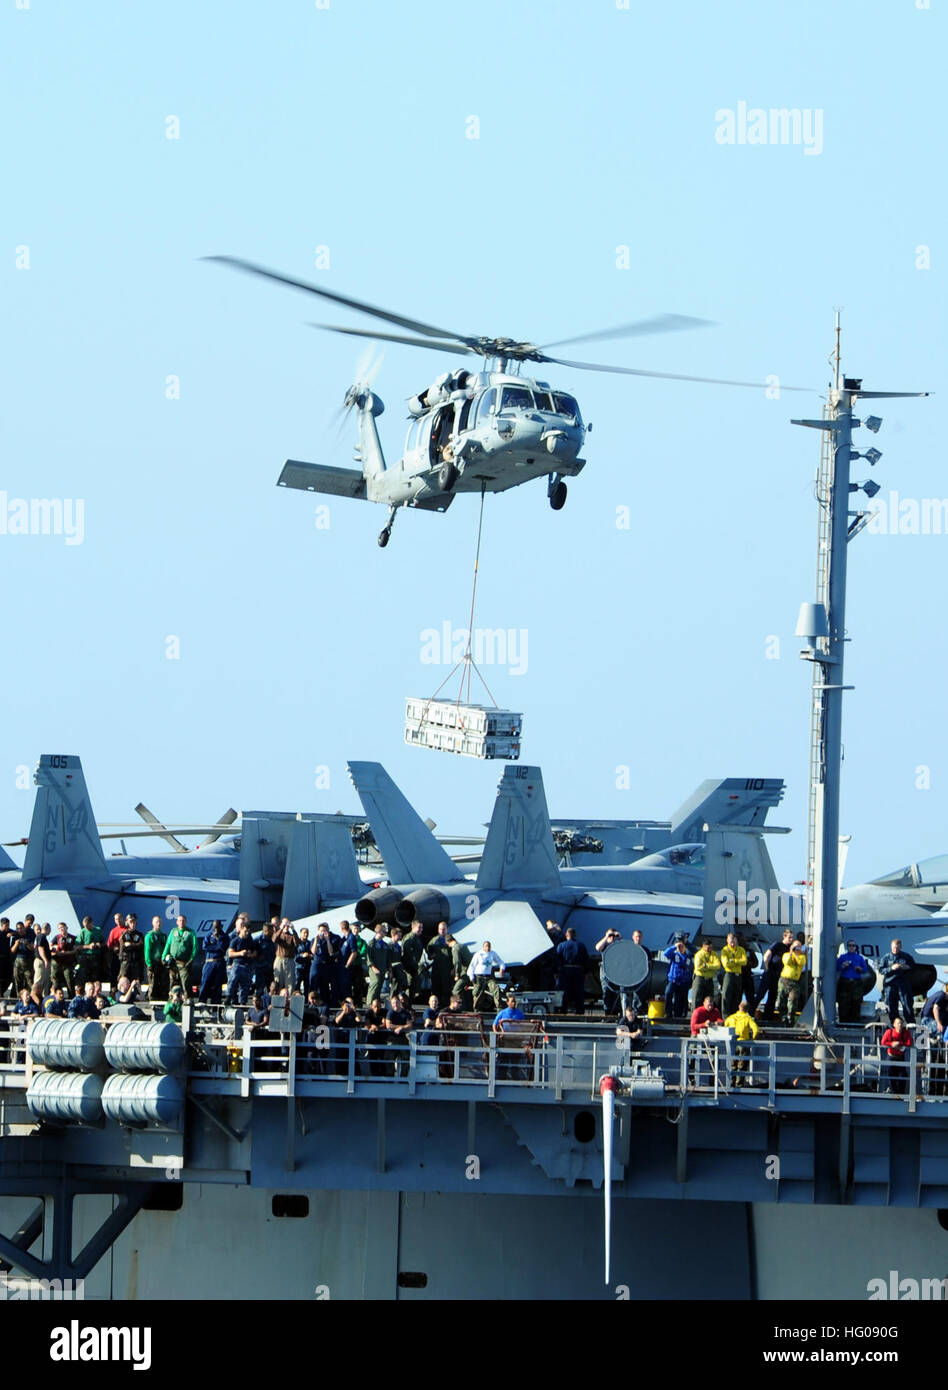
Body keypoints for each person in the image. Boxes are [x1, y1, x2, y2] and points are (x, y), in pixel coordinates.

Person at [756, 929, 793, 1021]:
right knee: (761, 994)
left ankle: (767, 1016)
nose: (791, 939)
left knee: (772, 996)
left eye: (792, 938)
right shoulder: (777, 944)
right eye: (789, 937)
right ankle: (751, 1012)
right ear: (784, 936)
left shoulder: (789, 949)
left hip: (778, 975)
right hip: (770, 971)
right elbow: (767, 954)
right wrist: (766, 967)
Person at [879, 939, 916, 1024]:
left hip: (903, 985)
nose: (896, 949)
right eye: (894, 947)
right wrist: (891, 968)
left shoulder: (906, 956)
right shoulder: (886, 957)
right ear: (891, 947)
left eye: (898, 947)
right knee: (892, 1008)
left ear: (901, 947)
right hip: (890, 985)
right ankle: (894, 1027)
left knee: (907, 1006)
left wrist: (906, 967)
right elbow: (881, 970)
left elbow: (913, 966)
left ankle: (911, 1026)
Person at [724, 999, 760, 1085]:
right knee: (741, 1066)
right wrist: (752, 1040)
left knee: (732, 1065)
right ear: (747, 1009)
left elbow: (724, 1028)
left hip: (732, 1044)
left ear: (739, 1007)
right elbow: (756, 1030)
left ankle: (730, 1084)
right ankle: (739, 1084)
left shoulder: (731, 1018)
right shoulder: (748, 1018)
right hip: (743, 1044)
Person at [836, 940, 872, 1023]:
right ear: (847, 947)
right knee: (844, 1003)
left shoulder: (859, 958)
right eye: (849, 945)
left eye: (853, 945)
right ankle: (843, 1022)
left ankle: (855, 1022)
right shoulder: (842, 957)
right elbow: (837, 968)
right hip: (845, 981)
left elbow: (865, 970)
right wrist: (843, 966)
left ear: (855, 947)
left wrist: (859, 969)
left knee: (856, 1002)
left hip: (856, 982)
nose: (851, 947)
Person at [556, 927, 589, 1014]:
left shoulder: (561, 945)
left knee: (564, 991)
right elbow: (586, 960)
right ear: (575, 935)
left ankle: (563, 1011)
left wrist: (557, 971)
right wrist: (586, 972)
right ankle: (580, 1011)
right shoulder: (581, 945)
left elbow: (557, 959)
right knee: (579, 991)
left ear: (567, 935)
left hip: (565, 971)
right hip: (579, 971)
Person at [162, 916, 197, 996]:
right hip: (173, 961)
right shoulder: (173, 931)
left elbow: (195, 947)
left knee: (185, 982)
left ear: (186, 922)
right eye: (180, 920)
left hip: (184, 962)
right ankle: (171, 1000)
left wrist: (191, 959)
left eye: (183, 921)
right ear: (177, 922)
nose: (181, 922)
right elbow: (168, 944)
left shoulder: (191, 933)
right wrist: (163, 957)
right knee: (172, 981)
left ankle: (188, 999)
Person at [775, 940, 807, 1027]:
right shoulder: (786, 955)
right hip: (784, 980)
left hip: (794, 982)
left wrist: (796, 954)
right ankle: (783, 1017)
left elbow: (801, 963)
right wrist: (791, 952)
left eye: (799, 947)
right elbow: (787, 962)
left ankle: (790, 1018)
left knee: (793, 1001)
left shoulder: (802, 957)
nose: (797, 948)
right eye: (795, 946)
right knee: (781, 1000)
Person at [227, 921, 259, 1005]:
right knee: (232, 982)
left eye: (248, 931)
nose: (247, 933)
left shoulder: (250, 940)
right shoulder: (235, 940)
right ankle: (229, 999)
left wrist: (250, 954)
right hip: (238, 964)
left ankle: (242, 1002)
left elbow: (255, 952)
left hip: (247, 966)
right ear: (241, 929)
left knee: (245, 986)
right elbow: (230, 953)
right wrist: (240, 953)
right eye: (245, 931)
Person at [663, 934, 694, 1019]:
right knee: (668, 993)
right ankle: (668, 1013)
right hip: (673, 980)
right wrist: (674, 946)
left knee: (679, 999)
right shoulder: (674, 955)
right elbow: (666, 953)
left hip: (683, 982)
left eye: (682, 946)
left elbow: (695, 952)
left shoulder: (688, 957)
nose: (680, 948)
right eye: (679, 946)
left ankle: (678, 1016)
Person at [468, 941, 505, 1012]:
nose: (488, 948)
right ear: (483, 946)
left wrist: (502, 968)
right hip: (479, 976)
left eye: (489, 946)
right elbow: (472, 966)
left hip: (489, 976)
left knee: (496, 989)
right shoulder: (478, 954)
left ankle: (499, 1008)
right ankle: (476, 1008)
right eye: (486, 946)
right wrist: (471, 977)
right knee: (478, 993)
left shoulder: (492, 953)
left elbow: (500, 962)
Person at [880, 1017, 912, 1095]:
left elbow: (909, 1043)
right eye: (898, 1023)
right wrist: (892, 1044)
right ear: (894, 1025)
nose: (900, 1025)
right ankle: (894, 1094)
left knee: (903, 1076)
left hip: (901, 1058)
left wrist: (899, 1044)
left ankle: (901, 1094)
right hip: (891, 1058)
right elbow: (883, 1042)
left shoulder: (906, 1033)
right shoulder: (889, 1032)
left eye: (901, 1023)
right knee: (892, 1077)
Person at [199, 921, 229, 1004]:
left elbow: (223, 948)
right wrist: (216, 947)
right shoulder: (208, 935)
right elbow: (205, 947)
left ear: (221, 927)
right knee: (205, 983)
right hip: (209, 962)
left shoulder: (224, 936)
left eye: (217, 927)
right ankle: (202, 1002)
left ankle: (215, 1004)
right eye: (214, 927)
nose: (216, 929)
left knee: (217, 985)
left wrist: (218, 939)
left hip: (219, 962)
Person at [719, 932, 747, 1017]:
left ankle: (734, 1015)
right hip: (729, 974)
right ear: (727, 940)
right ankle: (725, 1016)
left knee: (737, 995)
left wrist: (733, 961)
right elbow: (726, 963)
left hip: (738, 974)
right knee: (726, 995)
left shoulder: (741, 950)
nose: (732, 943)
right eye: (731, 941)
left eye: (734, 941)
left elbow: (744, 961)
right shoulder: (725, 950)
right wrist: (737, 961)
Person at [595, 930, 623, 1015]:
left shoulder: (618, 946)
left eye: (613, 936)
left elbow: (625, 949)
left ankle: (615, 1013)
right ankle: (607, 1013)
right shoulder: (605, 946)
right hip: (606, 973)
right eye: (610, 936)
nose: (612, 937)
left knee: (616, 993)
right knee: (606, 992)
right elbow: (597, 947)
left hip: (616, 973)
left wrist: (619, 938)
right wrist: (606, 937)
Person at [691, 939, 721, 1013]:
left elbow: (717, 965)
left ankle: (708, 1015)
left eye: (711, 947)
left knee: (709, 998)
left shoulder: (714, 954)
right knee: (697, 998)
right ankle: (695, 1015)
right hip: (700, 978)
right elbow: (698, 967)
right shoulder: (699, 954)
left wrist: (705, 966)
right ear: (703, 946)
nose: (710, 949)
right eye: (708, 947)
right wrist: (711, 967)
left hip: (709, 979)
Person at [365, 925, 391, 1006]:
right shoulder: (371, 943)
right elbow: (368, 957)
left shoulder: (385, 945)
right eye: (383, 931)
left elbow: (388, 958)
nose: (385, 933)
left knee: (379, 985)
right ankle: (369, 1003)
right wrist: (373, 967)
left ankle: (376, 1003)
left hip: (383, 968)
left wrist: (389, 969)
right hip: (374, 968)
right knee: (375, 983)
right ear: (379, 932)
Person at [50, 923, 78, 997]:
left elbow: (75, 950)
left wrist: (66, 953)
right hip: (58, 962)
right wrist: (56, 950)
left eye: (62, 927)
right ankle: (56, 995)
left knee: (69, 980)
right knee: (55, 980)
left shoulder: (72, 938)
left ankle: (71, 996)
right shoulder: (57, 937)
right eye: (59, 928)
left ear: (66, 927)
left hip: (68, 962)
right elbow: (50, 945)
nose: (61, 929)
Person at [144, 916, 168, 1001]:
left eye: (160, 922)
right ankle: (152, 999)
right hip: (153, 962)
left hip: (161, 962)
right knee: (153, 983)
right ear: (153, 923)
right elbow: (147, 950)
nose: (159, 924)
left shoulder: (163, 936)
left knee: (162, 982)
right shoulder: (150, 935)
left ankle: (162, 999)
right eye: (157, 922)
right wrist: (149, 963)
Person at [272, 919, 299, 992]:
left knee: (290, 982)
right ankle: (277, 999)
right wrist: (281, 928)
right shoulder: (278, 933)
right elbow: (274, 939)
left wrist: (293, 930)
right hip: (279, 959)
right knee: (278, 981)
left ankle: (289, 1000)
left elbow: (297, 943)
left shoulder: (291, 935)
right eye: (285, 923)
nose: (286, 926)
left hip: (289, 960)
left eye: (287, 923)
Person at [118, 916, 145, 985]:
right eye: (131, 922)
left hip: (136, 963)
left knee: (137, 984)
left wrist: (130, 945)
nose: (133, 924)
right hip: (126, 962)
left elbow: (141, 945)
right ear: (127, 923)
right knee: (124, 982)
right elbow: (123, 947)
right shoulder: (124, 935)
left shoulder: (139, 935)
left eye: (134, 922)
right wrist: (134, 945)